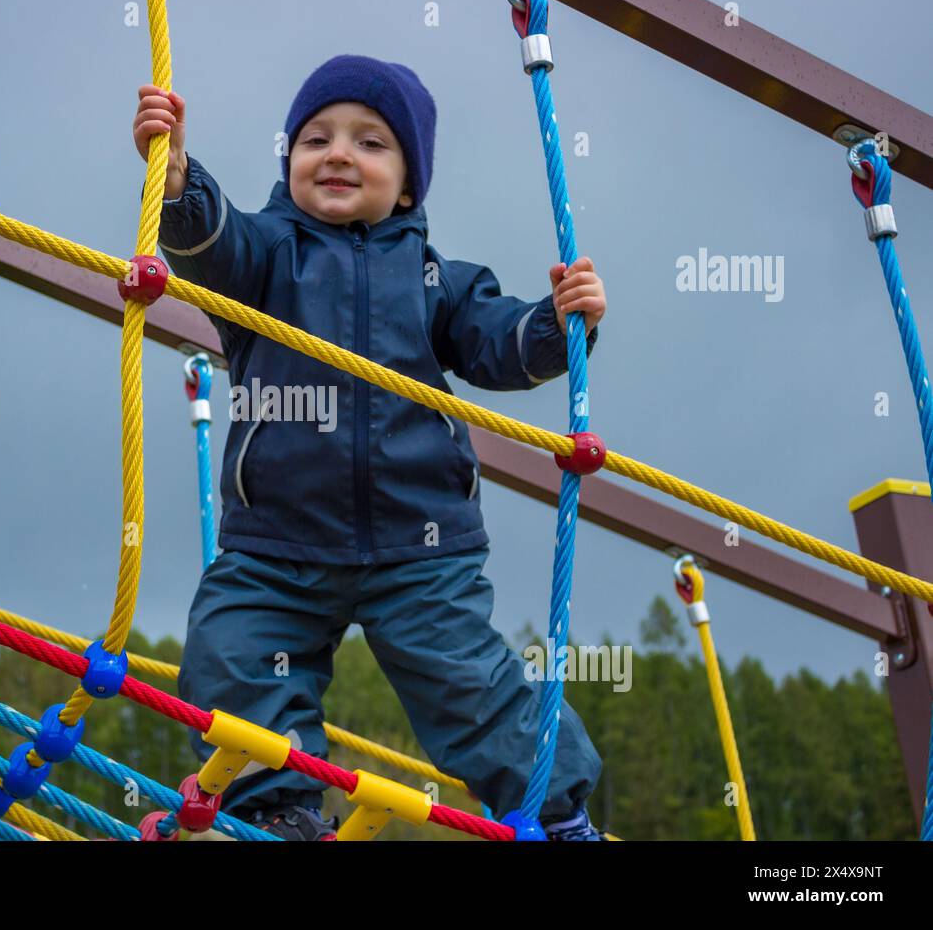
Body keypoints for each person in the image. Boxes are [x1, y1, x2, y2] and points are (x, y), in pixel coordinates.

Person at [132, 54, 608, 840]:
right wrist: (179, 179)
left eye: (371, 142)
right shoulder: (266, 258)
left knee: (472, 687)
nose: (340, 153)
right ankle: (273, 810)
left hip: (419, 547)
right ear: (290, 163)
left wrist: (560, 324)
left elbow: (496, 346)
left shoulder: (437, 280)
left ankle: (556, 816)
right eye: (316, 138)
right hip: (276, 544)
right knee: (232, 655)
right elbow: (212, 248)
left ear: (411, 183)